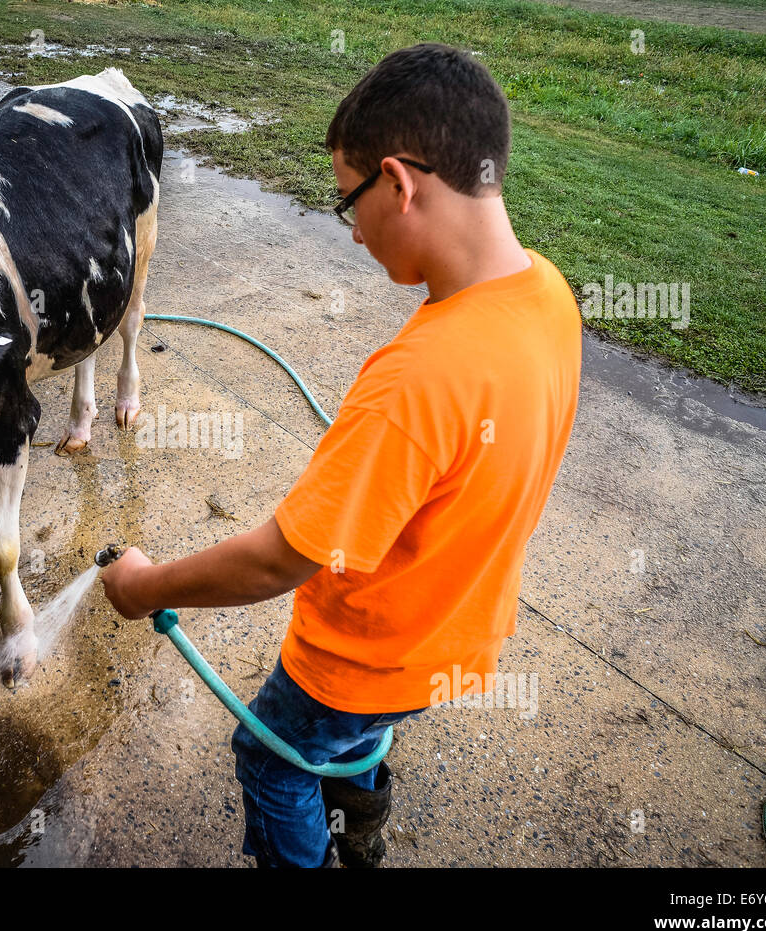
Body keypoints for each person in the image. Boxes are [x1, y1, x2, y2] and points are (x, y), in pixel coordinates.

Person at [102, 44, 582, 868]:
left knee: (273, 759)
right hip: (450, 637)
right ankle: (360, 826)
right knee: (359, 737)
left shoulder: (418, 378)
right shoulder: (549, 294)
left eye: (347, 202)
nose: (352, 230)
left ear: (398, 182)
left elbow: (282, 557)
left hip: (357, 659)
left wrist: (143, 587)